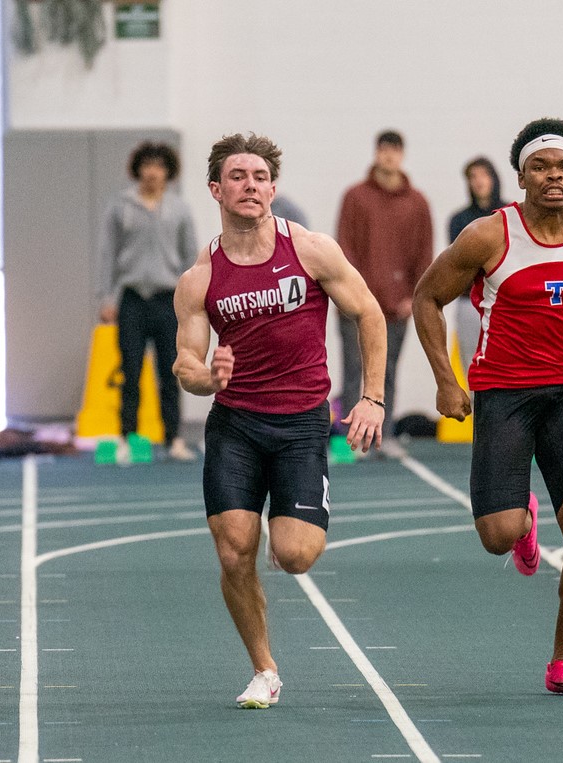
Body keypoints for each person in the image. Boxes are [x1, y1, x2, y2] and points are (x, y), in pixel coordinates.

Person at [411, 118, 563, 697]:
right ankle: (524, 516)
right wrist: (445, 380)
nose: (554, 176)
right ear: (522, 176)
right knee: (497, 536)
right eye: (541, 167)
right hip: (504, 393)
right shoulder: (490, 236)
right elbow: (427, 298)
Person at [174, 133, 386, 709]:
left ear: (274, 187)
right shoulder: (201, 277)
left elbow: (368, 311)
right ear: (217, 189)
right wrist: (207, 378)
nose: (251, 186)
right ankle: (264, 668)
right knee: (234, 550)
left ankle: (289, 522)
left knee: (294, 556)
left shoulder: (311, 249)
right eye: (238, 177)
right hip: (236, 424)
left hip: (301, 425)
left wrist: (371, 396)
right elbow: (186, 366)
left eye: (261, 177)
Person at [96, 141, 197, 462]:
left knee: (171, 371)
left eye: (159, 167)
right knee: (131, 369)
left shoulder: (180, 209)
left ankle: (174, 439)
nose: (153, 172)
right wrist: (106, 297)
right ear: (138, 169)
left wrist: (190, 303)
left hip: (168, 299)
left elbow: (190, 257)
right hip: (132, 299)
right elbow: (107, 255)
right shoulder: (120, 207)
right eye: (147, 166)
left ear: (168, 173)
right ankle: (128, 436)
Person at [335, 130, 433, 453]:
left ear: (402, 155)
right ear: (376, 153)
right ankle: (351, 440)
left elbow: (425, 254)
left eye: (395, 150)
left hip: (396, 308)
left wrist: (413, 297)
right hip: (355, 307)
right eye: (384, 150)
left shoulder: (417, 203)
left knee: (387, 373)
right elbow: (344, 248)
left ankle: (383, 437)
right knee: (354, 372)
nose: (389, 156)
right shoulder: (355, 197)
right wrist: (351, 296)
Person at [446, 157, 507, 372]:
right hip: (470, 302)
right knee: (472, 365)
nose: (478, 181)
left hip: (505, 301)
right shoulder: (459, 220)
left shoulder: (510, 215)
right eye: (473, 176)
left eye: (483, 175)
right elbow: (461, 264)